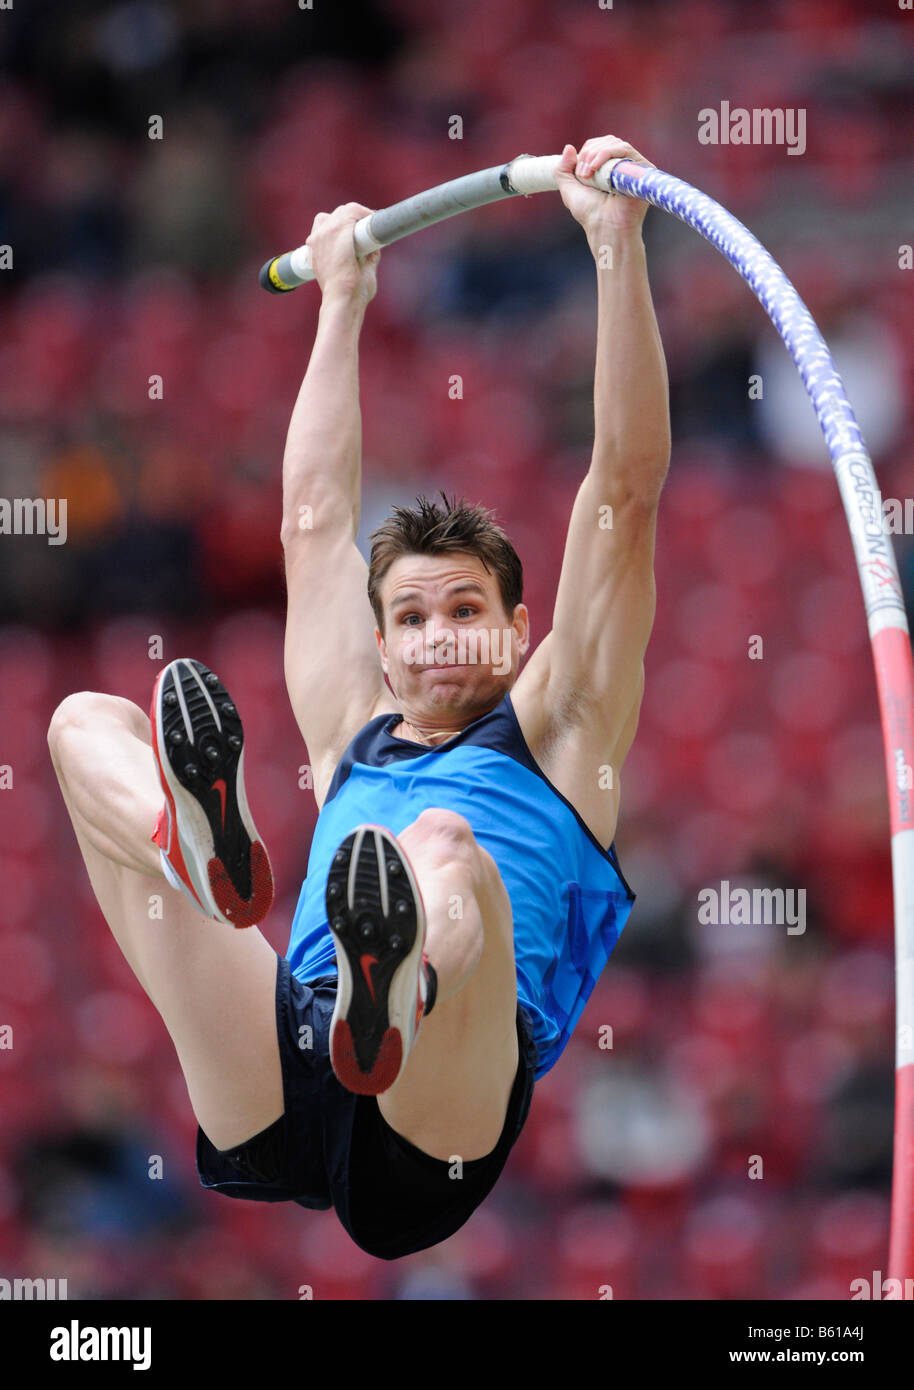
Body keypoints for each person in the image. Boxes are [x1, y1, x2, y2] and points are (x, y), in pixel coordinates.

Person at [48, 135, 670, 1262]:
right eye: (415, 617)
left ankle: (400, 987)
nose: (439, 638)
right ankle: (194, 853)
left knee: (441, 841)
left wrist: (613, 248)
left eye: (467, 610)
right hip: (282, 1071)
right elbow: (313, 524)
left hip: (427, 1128)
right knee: (81, 723)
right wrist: (342, 297)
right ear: (380, 646)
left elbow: (623, 487)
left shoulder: (564, 725)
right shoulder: (350, 728)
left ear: (520, 630)